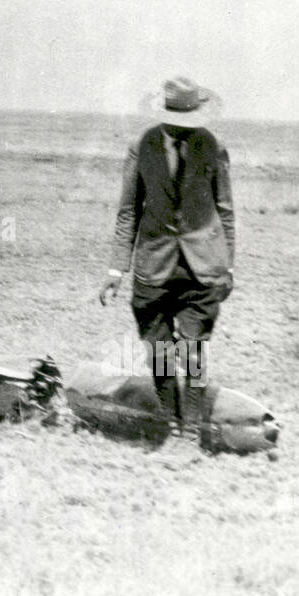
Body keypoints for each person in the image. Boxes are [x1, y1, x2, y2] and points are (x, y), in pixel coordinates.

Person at [98, 75, 235, 427]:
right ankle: (171, 419)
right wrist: (116, 270)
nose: (182, 130)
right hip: (153, 266)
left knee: (193, 351)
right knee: (158, 349)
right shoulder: (141, 146)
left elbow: (226, 210)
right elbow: (128, 210)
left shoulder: (213, 147)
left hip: (201, 267)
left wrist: (227, 267)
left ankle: (190, 429)